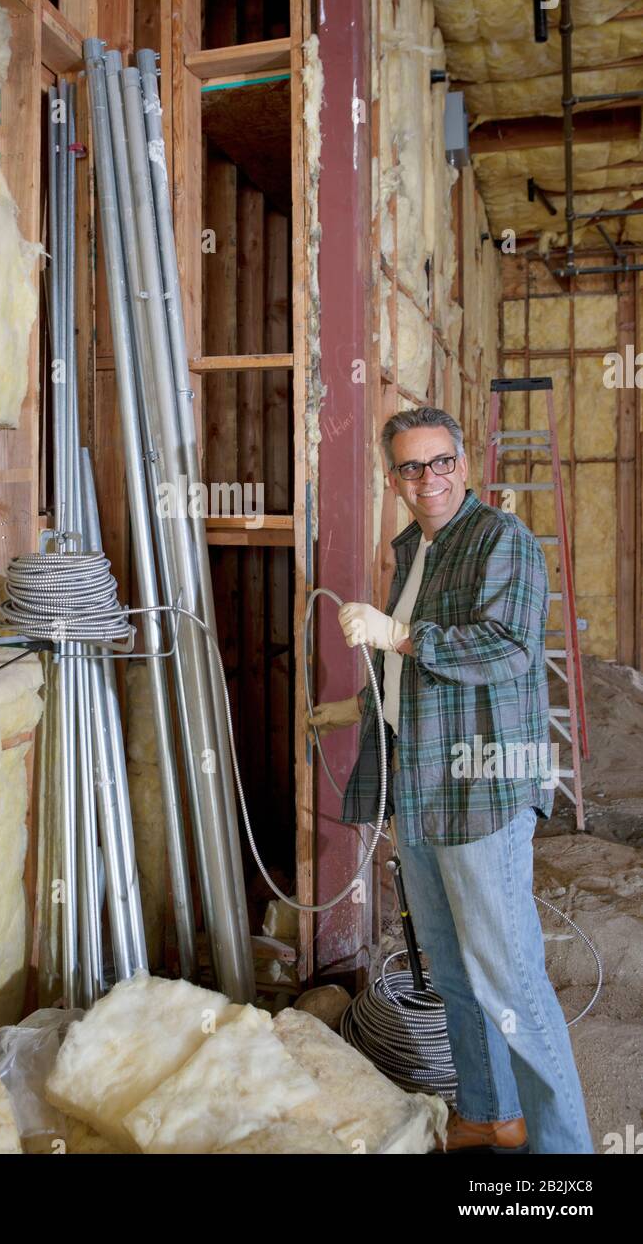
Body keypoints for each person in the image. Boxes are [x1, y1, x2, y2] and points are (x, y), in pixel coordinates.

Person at [311, 406, 593, 1155]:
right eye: (410, 466)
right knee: (455, 971)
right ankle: (489, 1112)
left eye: (440, 463)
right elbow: (411, 669)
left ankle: (565, 1154)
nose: (427, 478)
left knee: (512, 980)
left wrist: (395, 632)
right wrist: (359, 705)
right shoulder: (416, 549)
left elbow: (505, 649)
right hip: (423, 784)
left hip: (484, 790)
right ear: (394, 477)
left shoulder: (504, 540)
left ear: (463, 466)